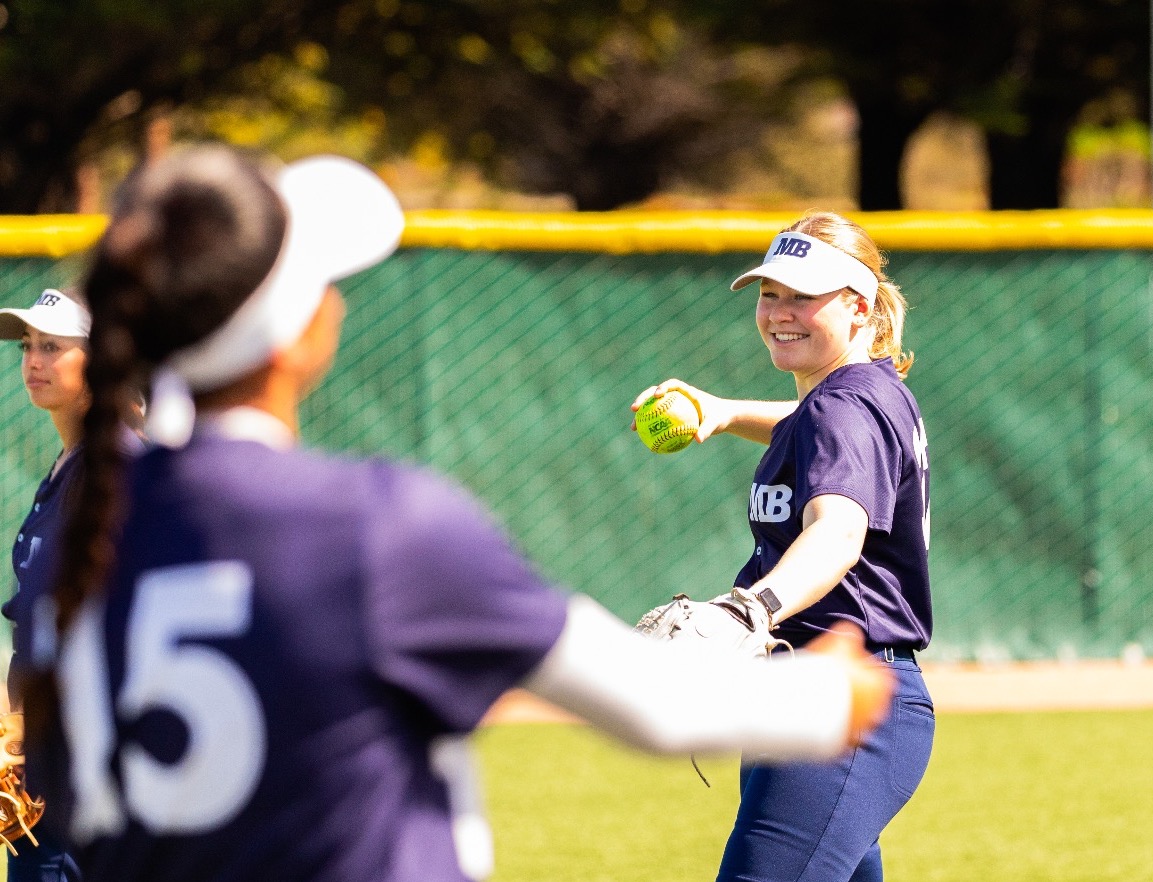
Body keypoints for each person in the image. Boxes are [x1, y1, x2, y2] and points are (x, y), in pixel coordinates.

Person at [11, 145, 893, 882]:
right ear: (308, 335)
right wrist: (824, 700)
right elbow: (654, 706)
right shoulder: (377, 526)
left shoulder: (77, 544)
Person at [630, 212, 935, 882]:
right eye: (770, 294)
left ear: (858, 307)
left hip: (840, 702)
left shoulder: (843, 409)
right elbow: (806, 423)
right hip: (822, 698)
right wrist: (724, 411)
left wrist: (751, 609)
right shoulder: (869, 394)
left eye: (803, 295)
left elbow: (838, 530)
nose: (779, 312)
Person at [1, 288, 93, 882]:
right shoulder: (66, 467)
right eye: (29, 346)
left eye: (53, 347)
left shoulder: (112, 474)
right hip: (43, 773)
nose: (33, 360)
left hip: (77, 775)